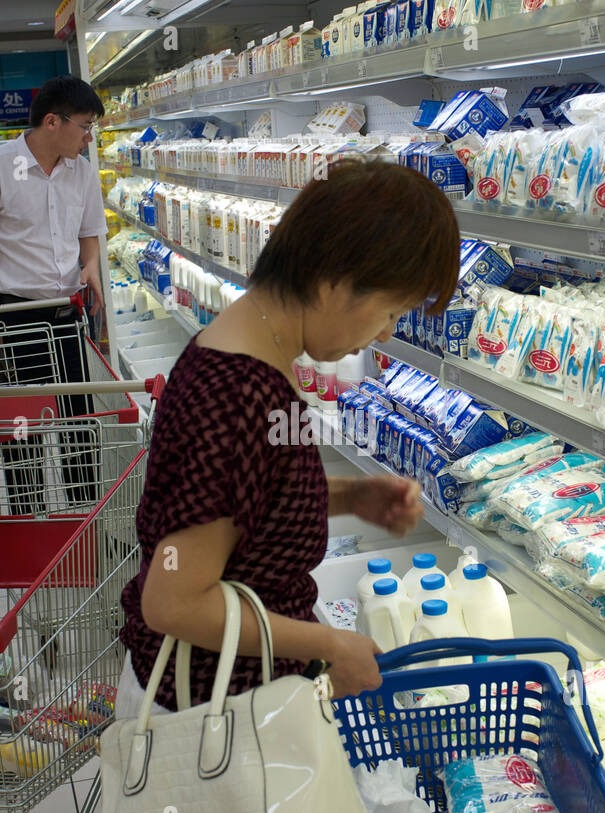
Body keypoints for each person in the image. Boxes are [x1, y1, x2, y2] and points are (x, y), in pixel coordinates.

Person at [113, 160, 458, 718]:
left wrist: (348, 497)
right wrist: (327, 645)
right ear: (333, 283)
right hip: (211, 722)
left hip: (231, 706)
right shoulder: (235, 395)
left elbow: (246, 499)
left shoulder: (249, 356)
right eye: (390, 309)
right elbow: (172, 602)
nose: (388, 330)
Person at [0, 76, 107, 514]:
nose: (89, 137)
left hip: (66, 314)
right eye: (84, 127)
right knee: (20, 430)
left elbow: (90, 231)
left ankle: (85, 519)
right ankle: (29, 520)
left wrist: (91, 267)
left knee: (79, 424)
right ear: (51, 122)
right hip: (14, 316)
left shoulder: (81, 171)